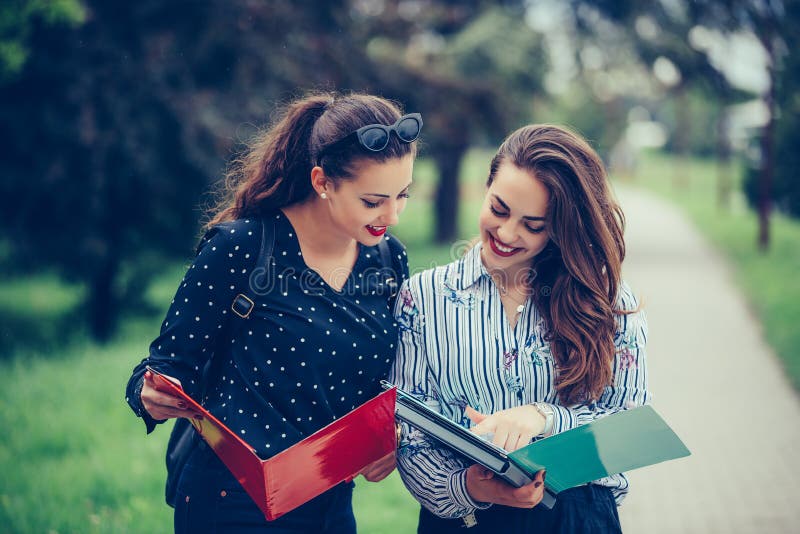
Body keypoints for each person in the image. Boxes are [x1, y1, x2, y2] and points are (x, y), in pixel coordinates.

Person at [125, 91, 421, 533]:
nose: (392, 216)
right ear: (322, 182)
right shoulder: (242, 247)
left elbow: (391, 381)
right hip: (231, 504)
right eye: (374, 201)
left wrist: (391, 440)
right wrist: (151, 395)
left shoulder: (387, 259)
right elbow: (165, 367)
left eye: (403, 196)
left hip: (331, 504)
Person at [391, 124, 649, 533]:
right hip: (468, 521)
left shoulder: (609, 303)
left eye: (533, 225)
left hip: (577, 518)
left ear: (562, 228)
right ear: (486, 186)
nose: (507, 234)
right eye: (498, 209)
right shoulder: (422, 298)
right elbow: (409, 437)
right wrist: (471, 487)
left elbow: (629, 431)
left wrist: (542, 417)